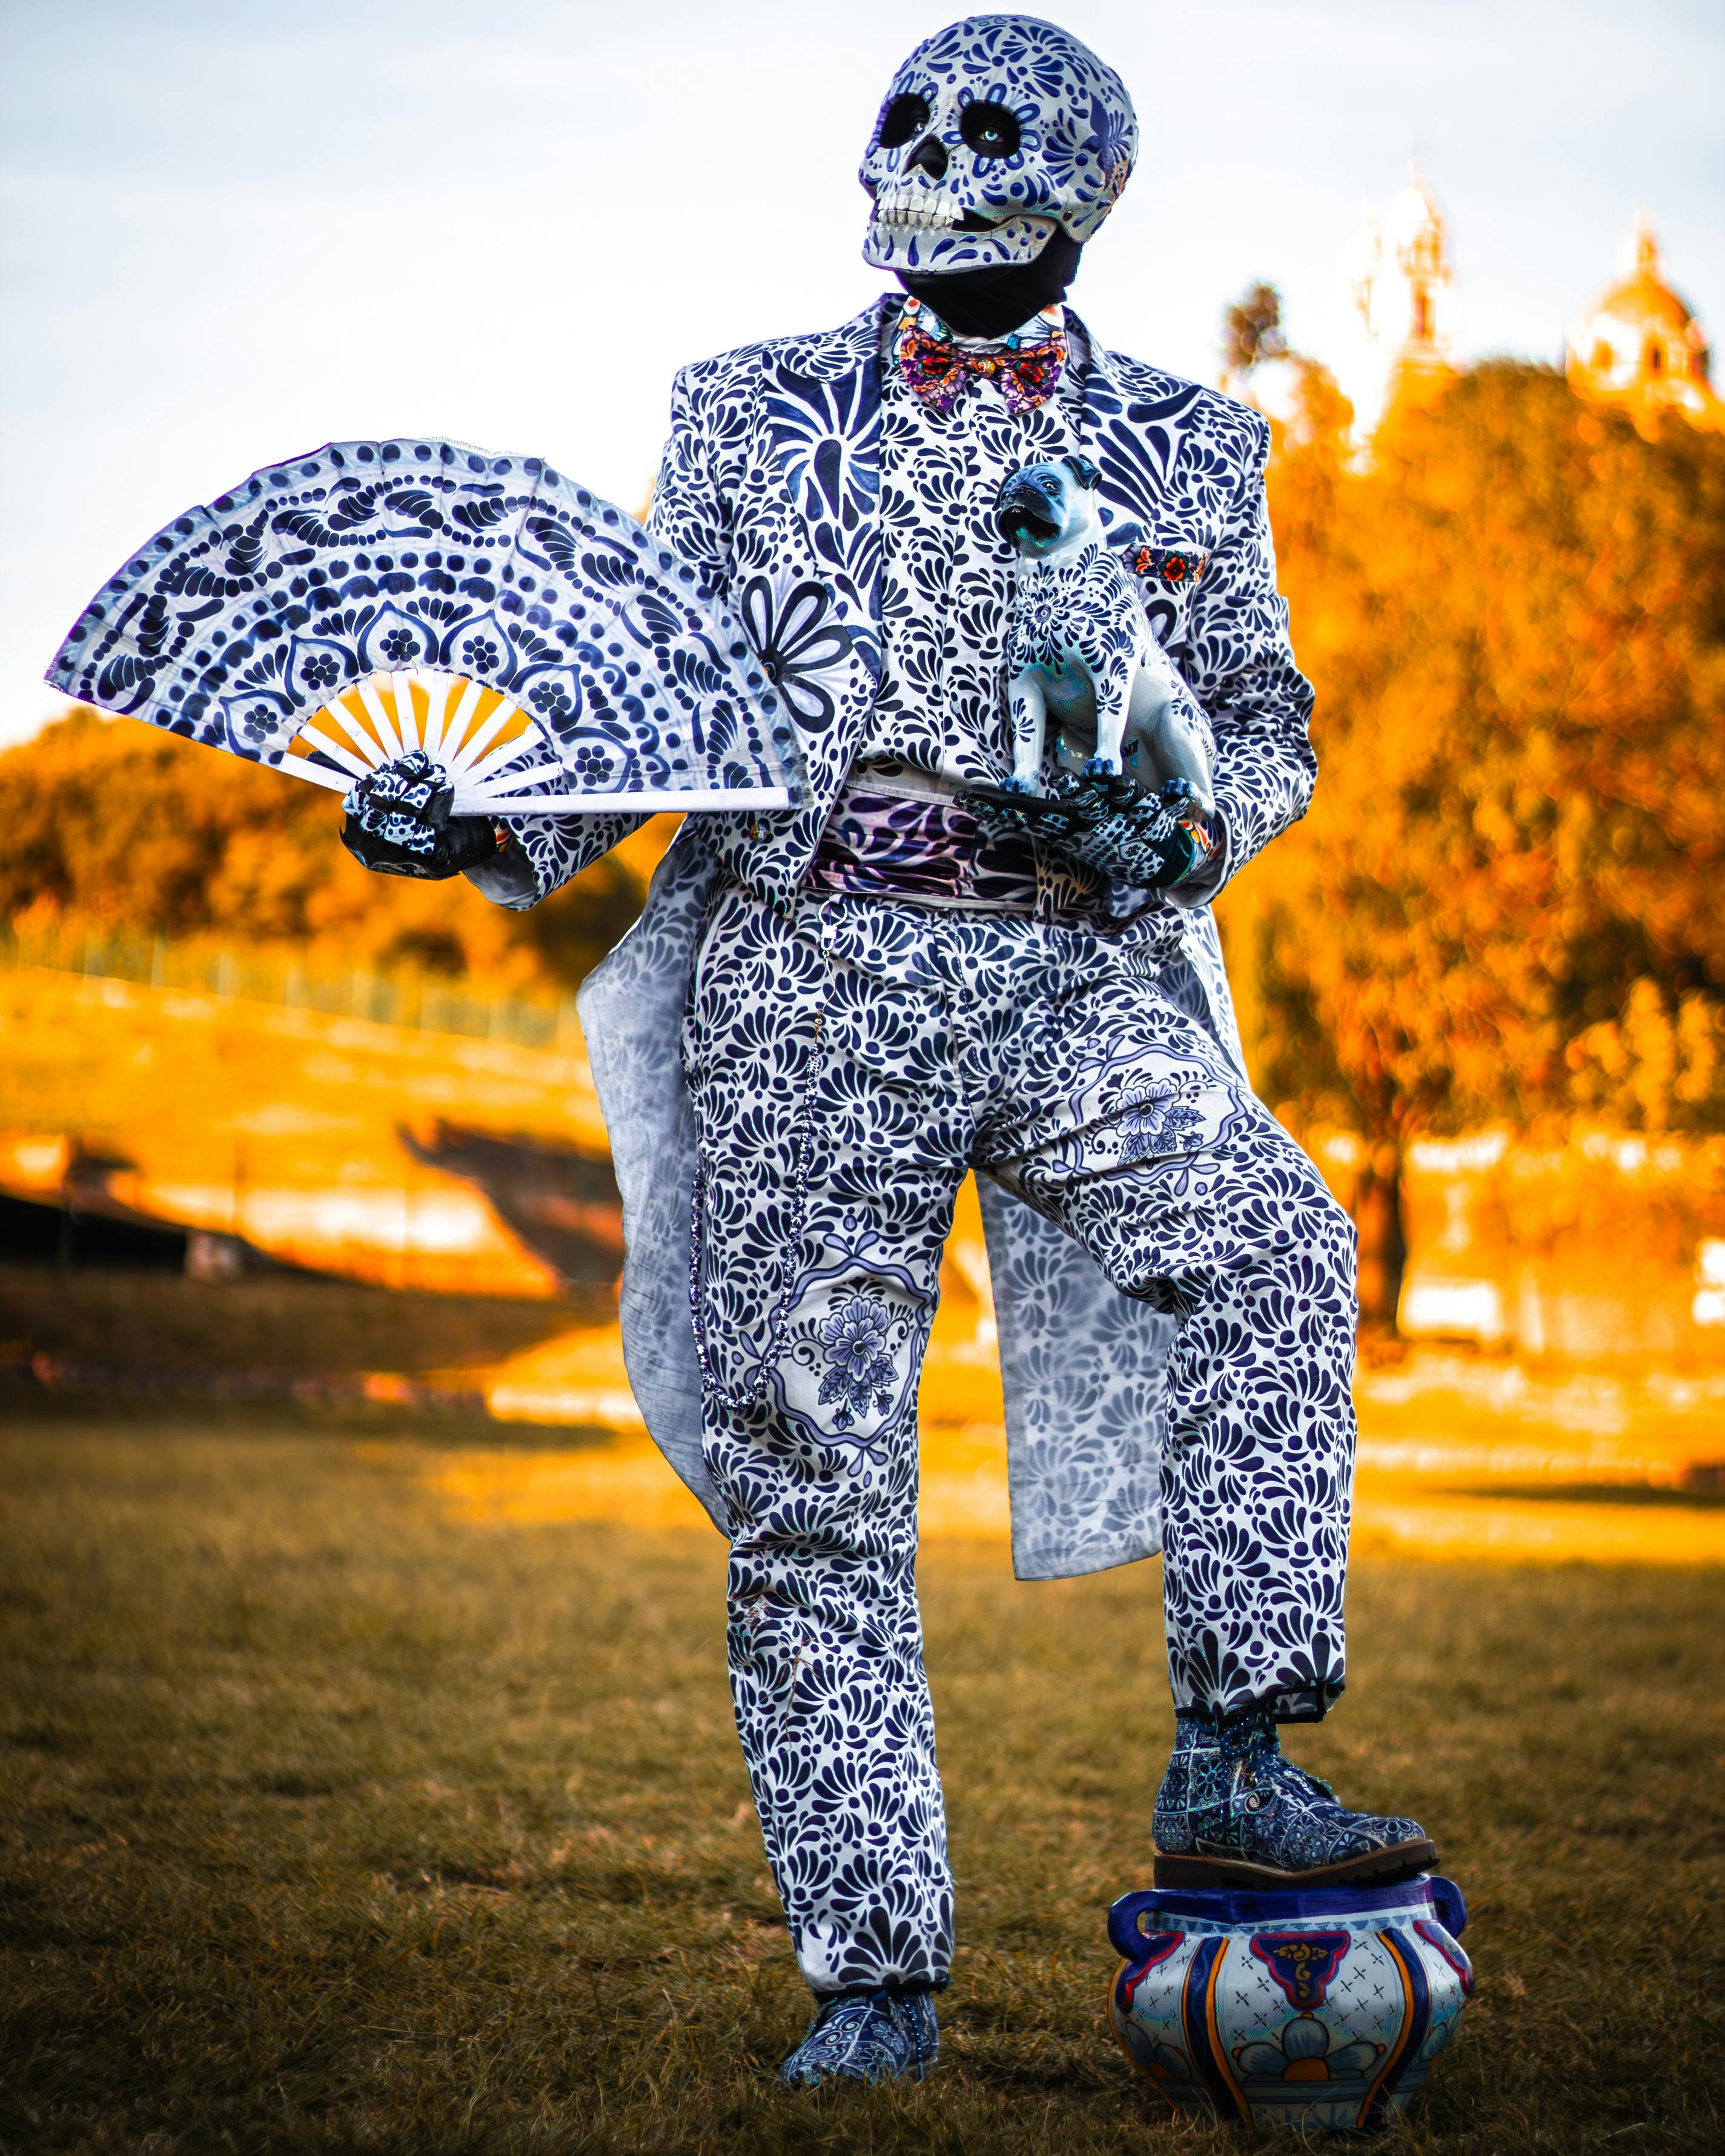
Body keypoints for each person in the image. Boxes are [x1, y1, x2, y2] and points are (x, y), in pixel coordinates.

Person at [345, 12, 1437, 2089]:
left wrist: (1199, 823)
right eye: (910, 120)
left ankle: (1233, 1748)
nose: (932, 158)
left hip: (1077, 975)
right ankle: (876, 1977)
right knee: (815, 1468)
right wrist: (484, 817)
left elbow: (1271, 718)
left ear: (1092, 189)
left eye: (989, 130)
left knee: (1282, 1246)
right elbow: (653, 707)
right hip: (810, 975)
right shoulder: (746, 418)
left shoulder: (1196, 446)